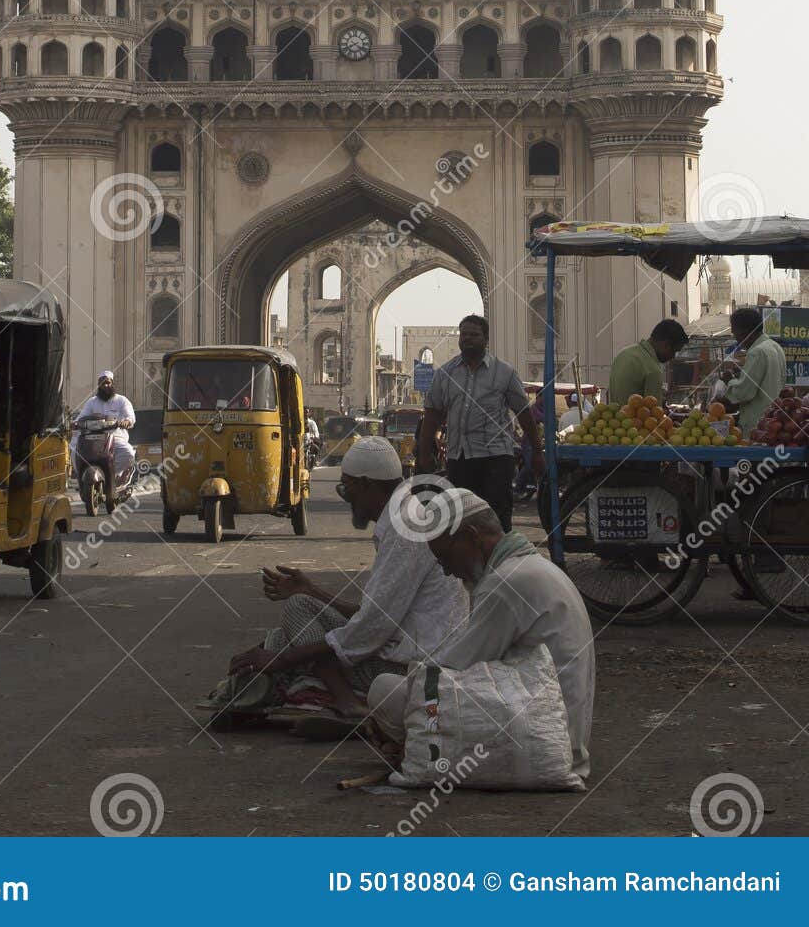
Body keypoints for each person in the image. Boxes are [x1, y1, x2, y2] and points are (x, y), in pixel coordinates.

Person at [223, 438, 465, 724]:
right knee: (294, 622)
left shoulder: (406, 531)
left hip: (407, 668)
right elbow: (374, 615)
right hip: (410, 649)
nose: (346, 498)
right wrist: (313, 590)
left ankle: (347, 703)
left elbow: (369, 629)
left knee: (294, 619)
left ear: (367, 485)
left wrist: (283, 659)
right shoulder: (406, 517)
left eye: (346, 489)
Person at [368, 487, 595, 781]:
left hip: (543, 735)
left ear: (472, 536)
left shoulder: (506, 583)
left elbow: (447, 673)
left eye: (446, 556)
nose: (448, 572)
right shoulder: (534, 568)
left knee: (385, 689)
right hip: (563, 734)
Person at [417, 315, 542, 531]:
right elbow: (432, 415)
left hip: (495, 457)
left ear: (486, 339)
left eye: (474, 335)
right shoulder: (445, 374)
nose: (468, 339)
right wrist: (424, 452)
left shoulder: (504, 373)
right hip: (460, 458)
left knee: (496, 519)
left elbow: (523, 414)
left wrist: (538, 452)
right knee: (462, 522)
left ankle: (499, 564)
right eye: (464, 334)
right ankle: (467, 564)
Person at [721, 308, 786, 433]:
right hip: (774, 420)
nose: (735, 336)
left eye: (734, 332)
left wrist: (729, 380)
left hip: (757, 424)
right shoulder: (775, 347)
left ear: (743, 331)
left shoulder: (757, 352)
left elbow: (744, 392)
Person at [74, 369, 136, 485]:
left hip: (116, 437)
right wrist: (75, 424)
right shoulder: (92, 402)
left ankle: (113, 475)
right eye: (103, 383)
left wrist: (126, 422)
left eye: (108, 382)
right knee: (74, 451)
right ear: (99, 385)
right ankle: (83, 480)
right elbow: (81, 418)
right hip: (94, 438)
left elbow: (130, 417)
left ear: (112, 383)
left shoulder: (121, 401)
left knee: (128, 453)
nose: (105, 385)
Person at [607, 319, 688, 406]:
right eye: (675, 351)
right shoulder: (652, 369)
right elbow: (654, 414)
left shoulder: (623, 354)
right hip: (635, 420)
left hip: (613, 418)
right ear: (666, 345)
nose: (673, 357)